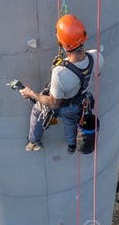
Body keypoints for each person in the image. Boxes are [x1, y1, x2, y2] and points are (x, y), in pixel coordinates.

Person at [20, 14, 104, 153]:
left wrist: (32, 94)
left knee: (37, 111)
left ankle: (34, 142)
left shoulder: (60, 73)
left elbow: (54, 104)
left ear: (64, 45)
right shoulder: (97, 57)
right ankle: (72, 146)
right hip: (78, 103)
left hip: (64, 105)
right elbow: (96, 73)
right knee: (70, 121)